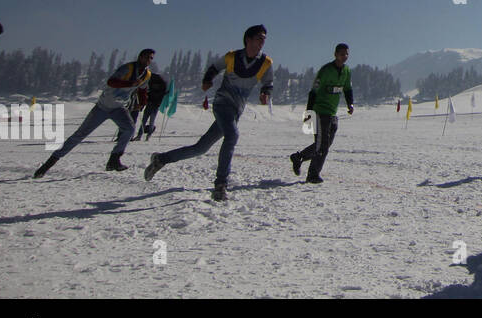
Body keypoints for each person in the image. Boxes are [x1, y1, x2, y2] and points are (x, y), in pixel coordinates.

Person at [144, 25, 273, 201]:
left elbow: (268, 82)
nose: (262, 42)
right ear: (248, 39)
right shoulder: (232, 57)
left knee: (200, 148)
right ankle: (221, 184)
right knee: (232, 136)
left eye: (264, 39)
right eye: (259, 38)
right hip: (222, 103)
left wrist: (265, 93)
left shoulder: (265, 63)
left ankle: (161, 159)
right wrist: (207, 80)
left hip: (236, 110)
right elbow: (214, 68)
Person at [34, 50, 155, 176]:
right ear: (140, 57)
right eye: (147, 57)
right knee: (79, 135)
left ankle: (114, 160)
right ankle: (48, 165)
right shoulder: (128, 68)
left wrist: (142, 101)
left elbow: (142, 89)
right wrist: (129, 83)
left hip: (119, 108)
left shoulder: (147, 75)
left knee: (129, 129)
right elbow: (111, 82)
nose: (148, 60)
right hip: (103, 107)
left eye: (151, 58)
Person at [290, 43, 354, 184]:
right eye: (342, 54)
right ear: (335, 54)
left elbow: (348, 89)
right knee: (322, 146)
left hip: (332, 113)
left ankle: (299, 157)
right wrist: (309, 113)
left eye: (347, 54)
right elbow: (313, 91)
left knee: (325, 144)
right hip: (320, 112)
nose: (345, 57)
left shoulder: (347, 71)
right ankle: (313, 175)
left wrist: (350, 103)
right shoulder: (326, 70)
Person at [131, 70, 168, 141]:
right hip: (153, 105)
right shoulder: (161, 86)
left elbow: (149, 93)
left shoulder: (154, 85)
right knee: (149, 121)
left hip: (152, 105)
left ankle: (141, 135)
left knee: (146, 121)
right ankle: (145, 135)